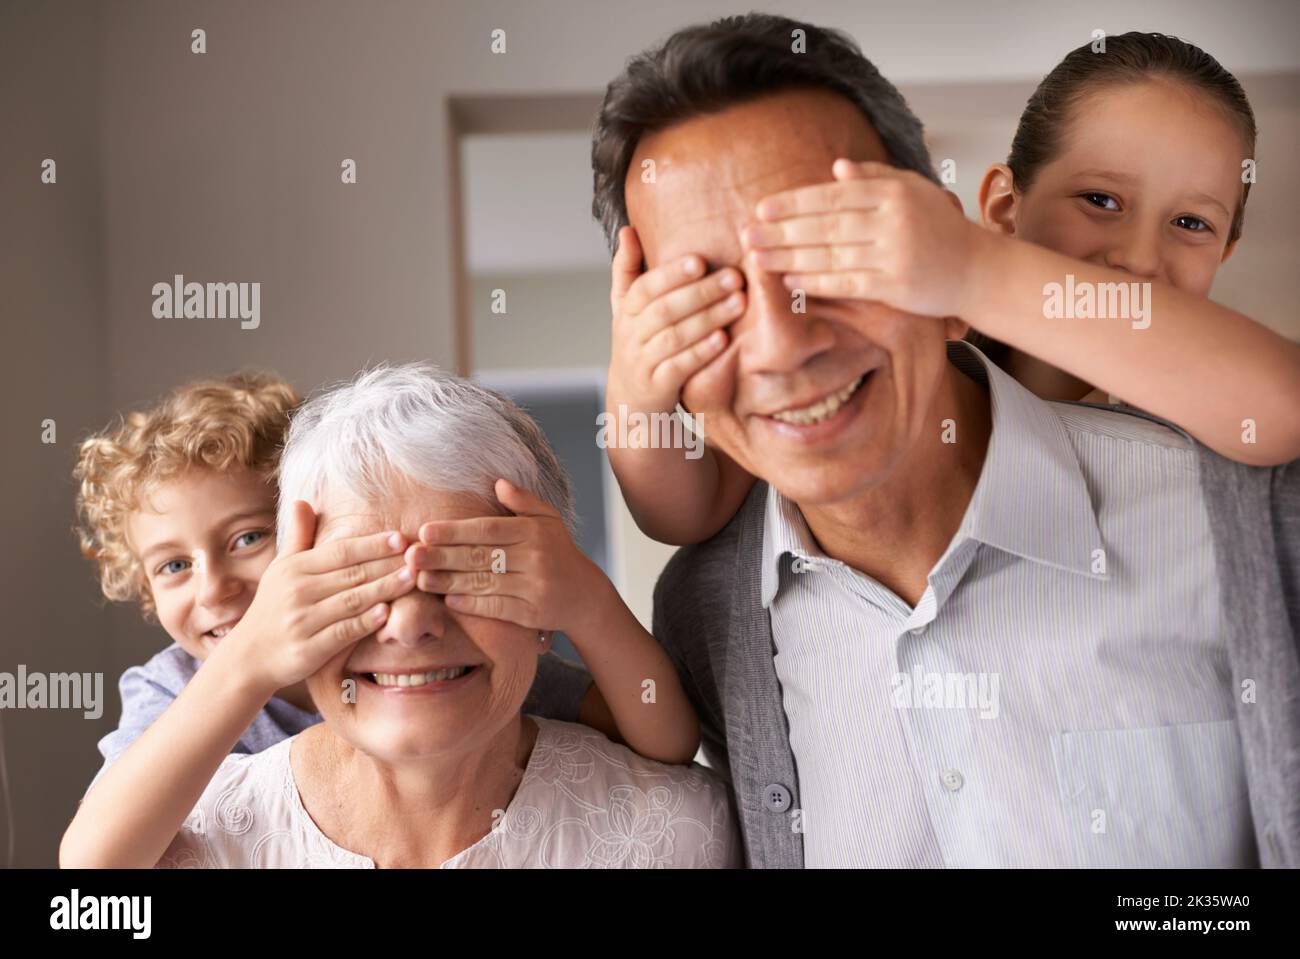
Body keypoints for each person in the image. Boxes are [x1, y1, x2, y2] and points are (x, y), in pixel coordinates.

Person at [584, 14, 1298, 867]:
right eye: (705, 295)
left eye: (829, 261)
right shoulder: (711, 615)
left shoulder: (1240, 519)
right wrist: (633, 387)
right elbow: (676, 504)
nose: (781, 342)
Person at [602, 30, 1300, 546]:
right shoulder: (888, 379)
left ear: (1228, 250)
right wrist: (636, 384)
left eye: (1190, 222)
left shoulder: (1197, 416)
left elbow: (1280, 407)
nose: (1142, 259)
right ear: (1001, 208)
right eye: (1102, 201)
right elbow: (679, 514)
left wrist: (971, 269)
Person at [63, 364, 737, 868]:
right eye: (360, 579)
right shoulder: (186, 732)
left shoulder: (675, 831)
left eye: (463, 573)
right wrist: (251, 659)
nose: (411, 623)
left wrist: (586, 597)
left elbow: (664, 738)